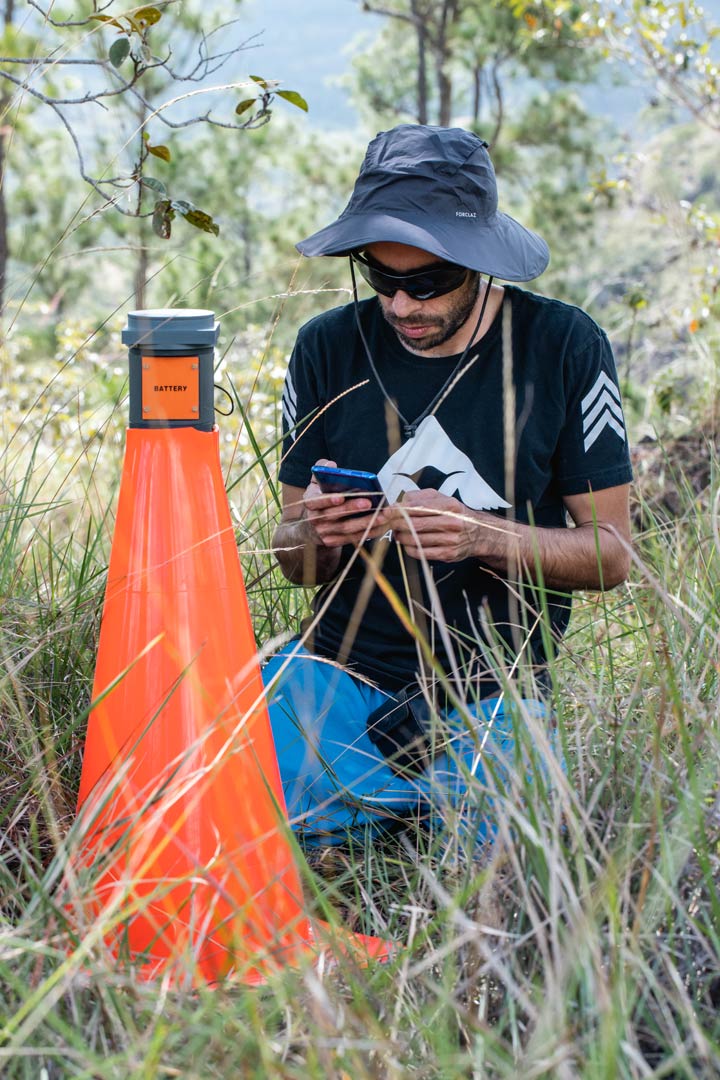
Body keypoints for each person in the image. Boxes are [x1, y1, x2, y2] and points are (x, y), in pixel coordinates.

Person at [262, 124, 632, 850]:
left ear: (480, 265)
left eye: (427, 283)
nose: (401, 306)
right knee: (275, 862)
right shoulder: (325, 347)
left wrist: (482, 536)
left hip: (494, 692)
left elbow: (612, 556)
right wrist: (318, 534)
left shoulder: (562, 347)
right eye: (380, 277)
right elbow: (291, 554)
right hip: (331, 675)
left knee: (492, 891)